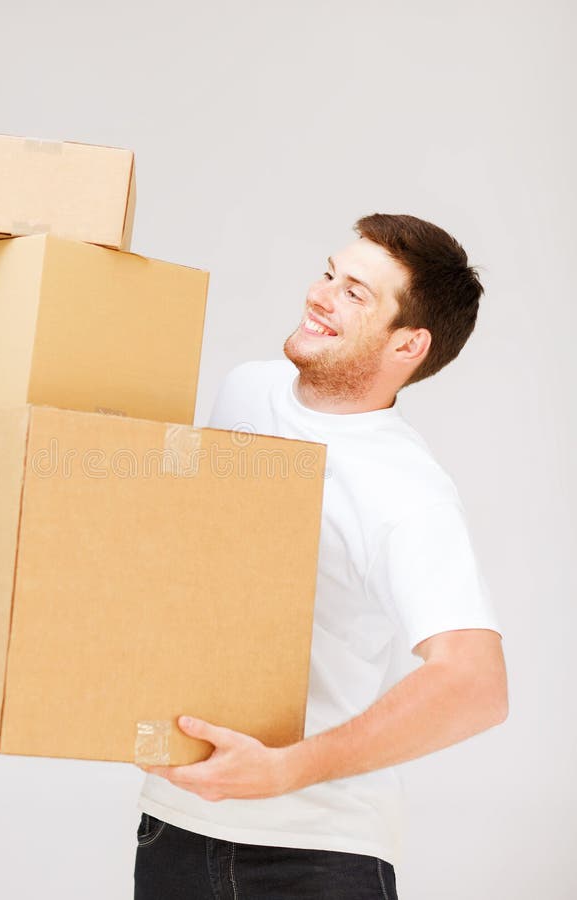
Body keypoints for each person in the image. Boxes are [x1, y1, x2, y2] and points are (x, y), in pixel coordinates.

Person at [132, 213, 508, 899]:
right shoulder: (246, 389)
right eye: (329, 273)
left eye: (355, 293)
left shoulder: (406, 491)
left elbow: (474, 684)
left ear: (408, 345)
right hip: (174, 820)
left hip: (311, 852)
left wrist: (286, 770)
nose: (319, 294)